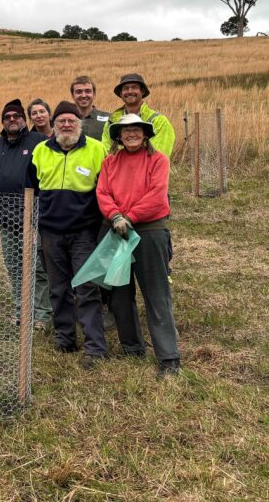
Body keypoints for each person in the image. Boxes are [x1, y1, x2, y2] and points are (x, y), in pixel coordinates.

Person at [97, 114, 181, 378]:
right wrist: (115, 216)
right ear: (118, 137)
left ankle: (168, 357)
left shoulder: (158, 160)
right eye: (125, 131)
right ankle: (132, 348)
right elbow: (103, 192)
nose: (131, 134)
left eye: (136, 129)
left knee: (156, 292)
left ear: (145, 134)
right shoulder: (110, 162)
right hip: (116, 230)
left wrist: (130, 217)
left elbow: (157, 195)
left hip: (149, 231)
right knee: (120, 293)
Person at [31, 102, 108, 369]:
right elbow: (32, 189)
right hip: (50, 232)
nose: (66, 125)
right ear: (53, 126)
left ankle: (95, 346)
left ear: (80, 124)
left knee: (87, 288)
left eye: (71, 121)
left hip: (84, 232)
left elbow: (106, 188)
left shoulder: (97, 149)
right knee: (59, 288)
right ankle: (65, 339)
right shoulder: (40, 151)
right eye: (61, 121)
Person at [0, 99, 52, 330]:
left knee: (38, 268)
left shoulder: (38, 142)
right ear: (2, 121)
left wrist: (41, 210)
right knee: (15, 267)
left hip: (35, 219)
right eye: (7, 117)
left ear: (24, 120)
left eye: (16, 116)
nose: (12, 120)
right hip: (6, 220)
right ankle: (22, 311)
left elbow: (48, 174)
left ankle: (42, 315)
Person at [101, 73, 176, 157]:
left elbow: (157, 157)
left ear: (142, 91)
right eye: (126, 88)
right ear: (121, 93)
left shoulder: (159, 122)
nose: (130, 91)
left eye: (134, 87)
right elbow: (106, 154)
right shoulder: (112, 121)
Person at [70, 75, 110, 141]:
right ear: (72, 95)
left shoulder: (109, 119)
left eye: (87, 91)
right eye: (79, 92)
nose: (83, 95)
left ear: (94, 94)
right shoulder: (66, 121)